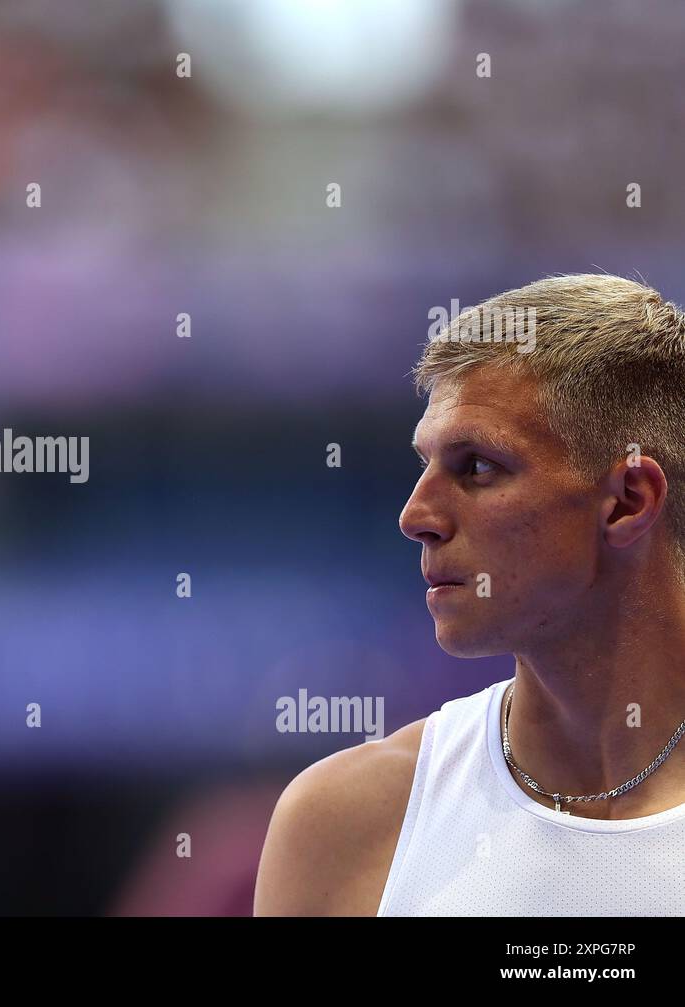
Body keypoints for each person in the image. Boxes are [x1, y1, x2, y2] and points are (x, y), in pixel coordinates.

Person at [254, 274, 685, 915]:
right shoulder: (347, 824)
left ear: (627, 502)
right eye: (423, 465)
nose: (415, 515)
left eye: (478, 468)